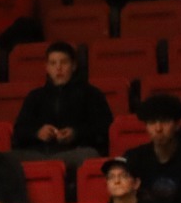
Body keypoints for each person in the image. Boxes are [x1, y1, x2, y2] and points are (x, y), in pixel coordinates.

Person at [10, 42, 112, 171]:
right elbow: (19, 131)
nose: (58, 68)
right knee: (4, 159)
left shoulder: (91, 94)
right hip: (38, 154)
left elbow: (104, 128)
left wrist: (75, 133)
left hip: (73, 153)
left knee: (89, 156)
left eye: (63, 62)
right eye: (53, 63)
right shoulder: (34, 96)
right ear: (46, 67)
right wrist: (37, 133)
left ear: (73, 66)